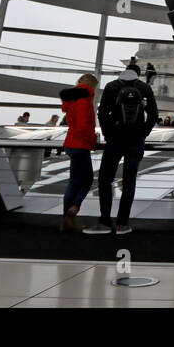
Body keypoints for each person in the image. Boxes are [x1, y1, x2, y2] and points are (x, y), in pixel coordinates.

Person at [89, 65, 157, 235]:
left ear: (123, 71)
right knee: (129, 181)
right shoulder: (144, 88)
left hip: (115, 140)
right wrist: (143, 132)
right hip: (136, 141)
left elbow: (102, 113)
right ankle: (122, 224)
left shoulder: (111, 86)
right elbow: (154, 114)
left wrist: (109, 133)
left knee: (105, 179)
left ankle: (105, 222)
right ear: (138, 74)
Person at [59, 73, 99, 232]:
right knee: (85, 180)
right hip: (80, 145)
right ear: (91, 86)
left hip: (72, 143)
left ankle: (67, 221)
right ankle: (72, 212)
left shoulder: (73, 99)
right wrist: (93, 140)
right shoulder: (84, 101)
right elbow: (83, 127)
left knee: (75, 181)